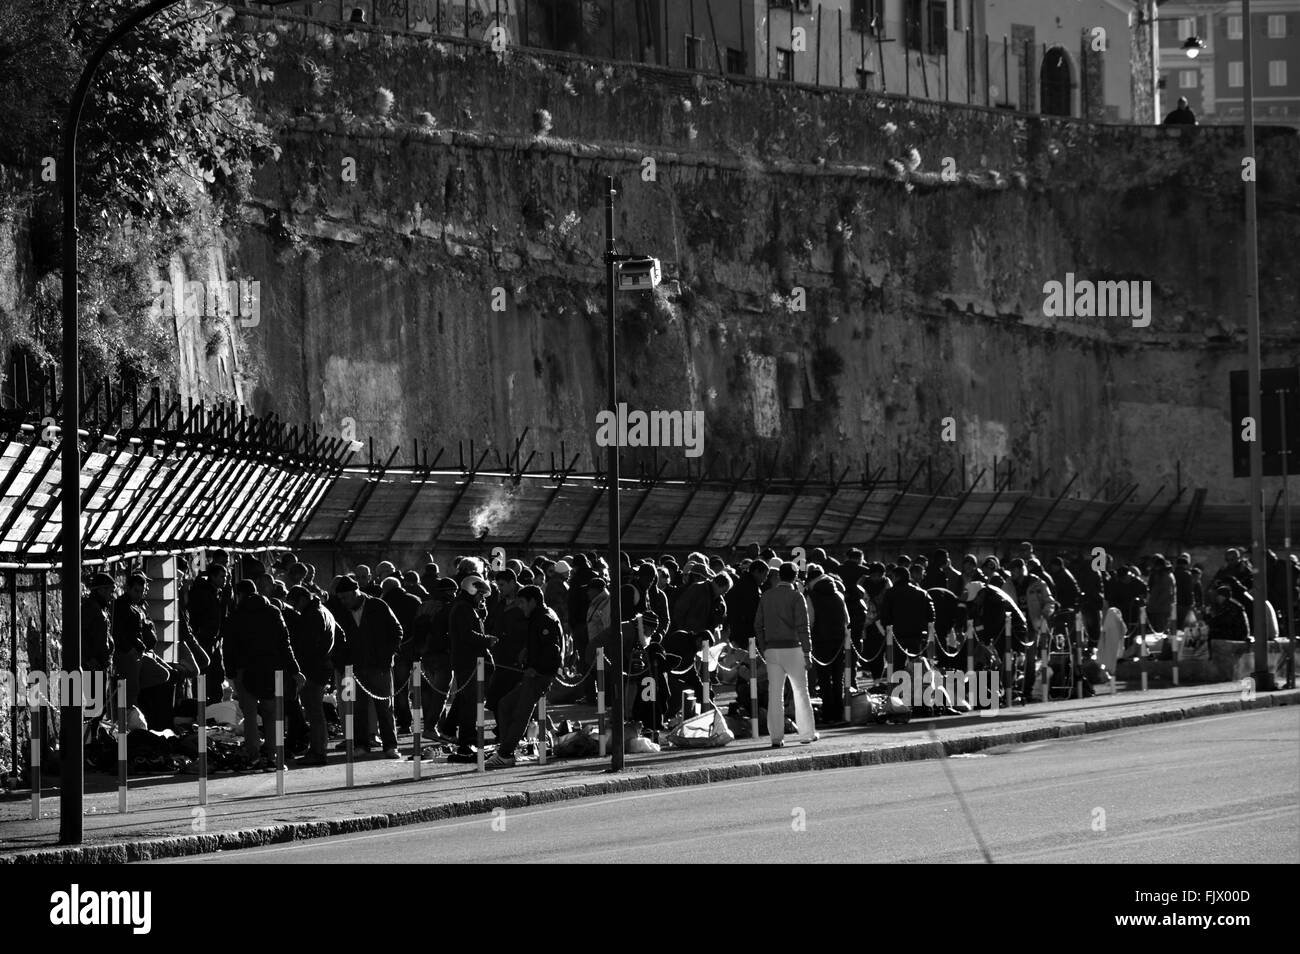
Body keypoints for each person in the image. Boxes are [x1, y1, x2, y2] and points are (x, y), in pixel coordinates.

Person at [224, 579, 305, 769]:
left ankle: (253, 756)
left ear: (240, 595)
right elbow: (285, 643)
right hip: (271, 669)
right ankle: (273, 756)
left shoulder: (236, 615)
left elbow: (229, 647)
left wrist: (231, 672)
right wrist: (295, 670)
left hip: (245, 670)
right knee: (272, 714)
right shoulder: (273, 611)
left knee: (250, 716)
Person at [485, 586, 564, 769]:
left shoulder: (544, 618)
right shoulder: (539, 616)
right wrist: (527, 651)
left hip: (539, 675)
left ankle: (505, 753)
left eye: (522, 602)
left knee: (521, 713)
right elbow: (542, 645)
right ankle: (507, 749)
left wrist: (536, 668)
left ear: (532, 601)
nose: (520, 606)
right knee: (505, 705)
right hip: (534, 673)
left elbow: (553, 651)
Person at [334, 575, 404, 758]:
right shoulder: (342, 611)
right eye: (340, 598)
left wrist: (387, 657)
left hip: (379, 667)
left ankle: (390, 746)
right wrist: (342, 665)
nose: (342, 601)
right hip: (352, 669)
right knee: (356, 709)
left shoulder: (378, 606)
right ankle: (361, 745)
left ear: (355, 593)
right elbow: (337, 641)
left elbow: (397, 631)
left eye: (345, 597)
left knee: (385, 708)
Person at [754, 562, 817, 747]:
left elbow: (758, 624)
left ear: (779, 575)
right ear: (795, 577)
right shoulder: (796, 596)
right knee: (800, 691)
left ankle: (776, 737)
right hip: (793, 648)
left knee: (775, 694)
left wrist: (764, 647)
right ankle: (806, 734)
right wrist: (808, 652)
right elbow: (803, 626)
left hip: (772, 649)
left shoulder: (766, 596)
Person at [284, 585, 340, 766]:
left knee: (314, 712)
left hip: (312, 669)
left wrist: (298, 669)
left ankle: (318, 751)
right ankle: (318, 749)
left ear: (302, 599)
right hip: (321, 666)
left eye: (295, 604)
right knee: (315, 712)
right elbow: (340, 635)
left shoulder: (312, 616)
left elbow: (307, 647)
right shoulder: (323, 611)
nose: (296, 609)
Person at [447, 574, 497, 758]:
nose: (482, 598)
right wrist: (487, 640)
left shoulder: (467, 608)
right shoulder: (463, 609)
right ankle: (467, 738)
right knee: (470, 702)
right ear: (471, 590)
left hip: (470, 661)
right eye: (480, 594)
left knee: (466, 699)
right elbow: (467, 635)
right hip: (468, 662)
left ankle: (451, 729)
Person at [806, 565, 849, 725]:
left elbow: (810, 621)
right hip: (839, 641)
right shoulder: (838, 595)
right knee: (838, 678)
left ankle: (828, 713)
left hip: (821, 641)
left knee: (824, 678)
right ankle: (840, 710)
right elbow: (847, 620)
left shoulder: (811, 596)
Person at [382, 576, 423, 734]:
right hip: (415, 648)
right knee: (421, 687)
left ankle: (405, 722)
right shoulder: (414, 600)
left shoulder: (385, 603)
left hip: (398, 649)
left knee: (400, 688)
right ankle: (428, 722)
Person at [187, 563, 230, 704]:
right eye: (222, 577)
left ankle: (215, 704)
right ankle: (202, 705)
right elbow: (197, 616)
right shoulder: (203, 594)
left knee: (217, 673)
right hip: (204, 639)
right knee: (205, 673)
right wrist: (201, 633)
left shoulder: (217, 593)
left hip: (214, 639)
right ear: (213, 577)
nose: (225, 580)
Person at [113, 572, 157, 710]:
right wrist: (130, 649)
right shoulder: (122, 606)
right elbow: (118, 632)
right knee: (131, 689)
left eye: (141, 592)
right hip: (127, 653)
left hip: (137, 651)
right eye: (136, 591)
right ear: (128, 588)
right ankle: (126, 716)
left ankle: (130, 713)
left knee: (160, 674)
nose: (139, 595)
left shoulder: (136, 606)